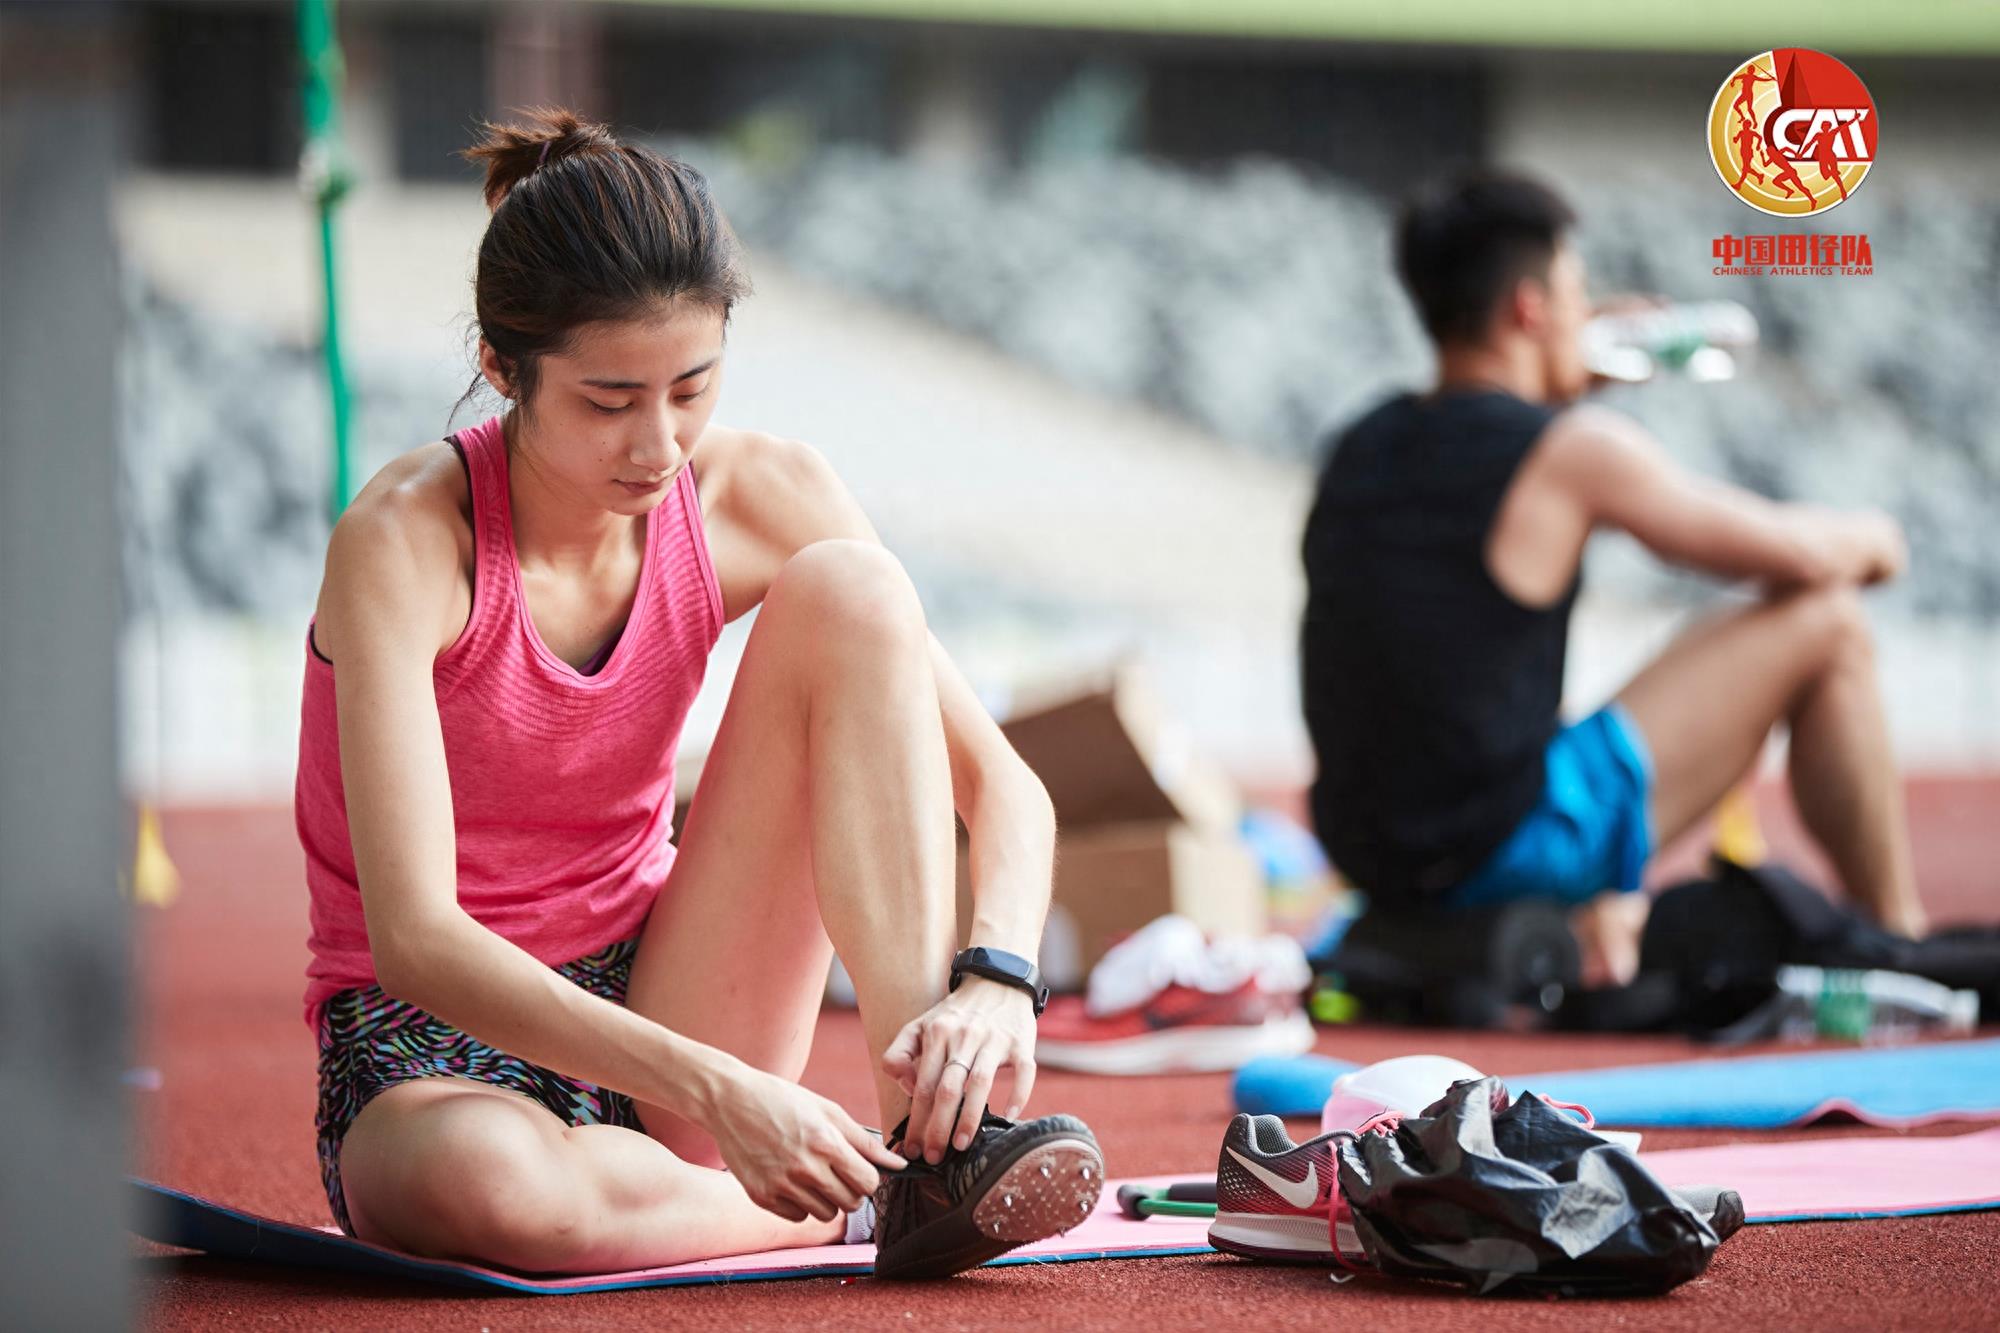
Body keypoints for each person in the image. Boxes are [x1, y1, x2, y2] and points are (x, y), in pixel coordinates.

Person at [296, 109, 1101, 1281]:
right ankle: (857, 1204)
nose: (658, 443)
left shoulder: (758, 493)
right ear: (499, 368)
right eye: (608, 400)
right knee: (501, 1192)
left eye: (693, 385)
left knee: (854, 588)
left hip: (673, 987)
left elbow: (1007, 791)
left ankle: (934, 1143)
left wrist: (997, 983)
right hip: (432, 1052)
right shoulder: (407, 541)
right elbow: (416, 940)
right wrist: (722, 1093)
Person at [1301, 171, 1924, 986]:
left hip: (1372, 855)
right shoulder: (1573, 453)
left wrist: (1565, 371)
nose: (1587, 310)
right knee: (1829, 621)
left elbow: (1478, 450)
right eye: (1575, 290)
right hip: (1500, 848)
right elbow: (1796, 555)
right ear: (1529, 308)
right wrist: (1875, 536)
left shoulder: (1362, 444)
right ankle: (1903, 941)